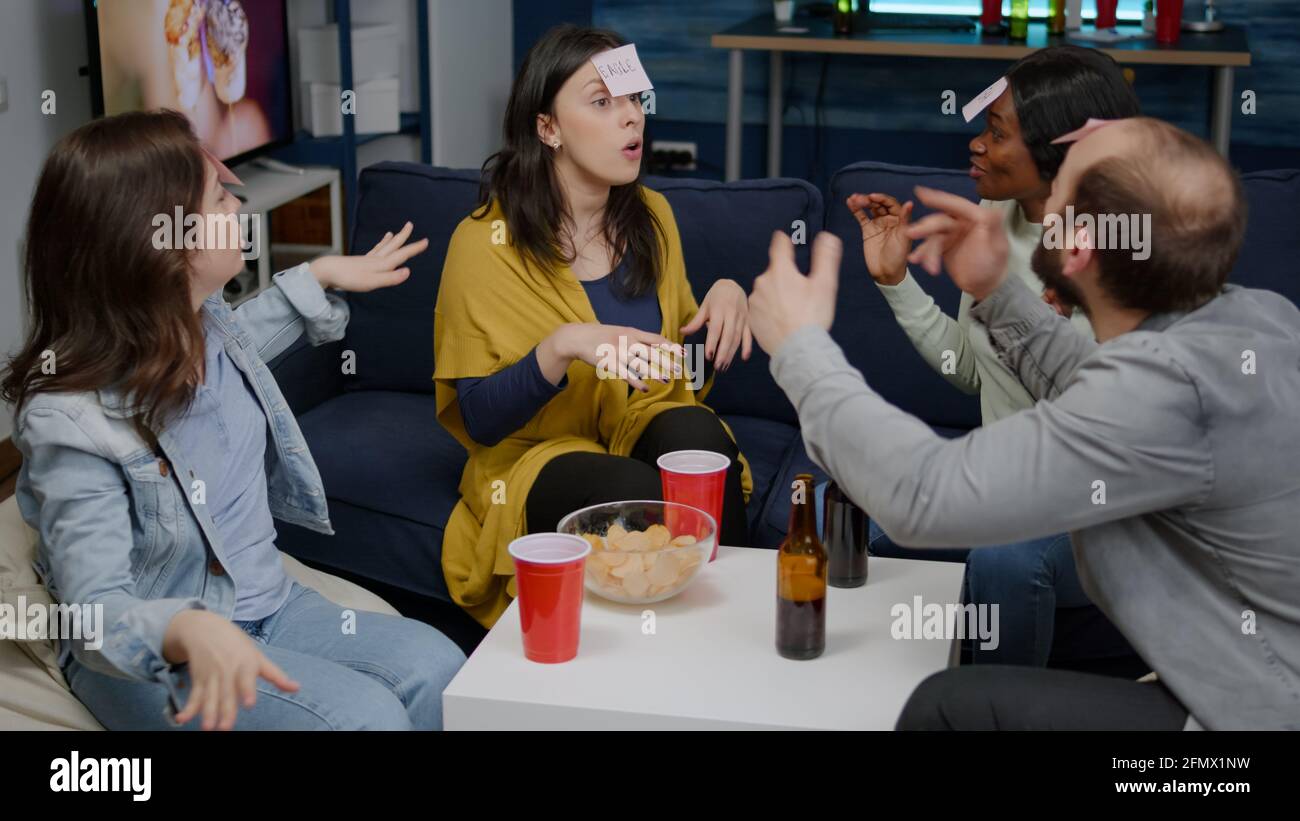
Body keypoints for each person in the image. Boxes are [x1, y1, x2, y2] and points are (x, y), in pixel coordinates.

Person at [747, 116, 1300, 730]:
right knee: (957, 702)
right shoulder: (1256, 317)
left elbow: (922, 495)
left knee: (945, 711)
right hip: (1245, 689)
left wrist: (798, 348)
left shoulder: (1168, 390)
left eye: (1059, 193)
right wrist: (997, 291)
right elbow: (1098, 384)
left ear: (1078, 248)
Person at [2, 109, 466, 730]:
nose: (238, 209)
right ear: (162, 243)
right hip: (157, 659)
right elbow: (94, 616)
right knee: (364, 719)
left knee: (441, 666)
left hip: (269, 605)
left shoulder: (206, 323)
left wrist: (320, 275)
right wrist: (186, 628)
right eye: (219, 198)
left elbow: (247, 333)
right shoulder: (69, 420)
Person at [433, 25, 754, 628]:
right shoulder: (484, 242)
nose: (631, 118)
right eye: (602, 103)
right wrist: (562, 348)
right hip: (534, 456)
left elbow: (677, 374)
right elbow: (479, 419)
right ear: (547, 127)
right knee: (631, 489)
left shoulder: (652, 217)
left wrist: (726, 301)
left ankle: (730, 634)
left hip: (637, 422)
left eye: (633, 99)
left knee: (700, 448)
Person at [844, 46, 1141, 666]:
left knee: (1008, 557)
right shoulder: (994, 217)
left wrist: (1045, 331)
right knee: (866, 531)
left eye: (997, 133)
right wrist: (896, 282)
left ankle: (998, 708)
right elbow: (972, 372)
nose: (976, 145)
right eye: (985, 126)